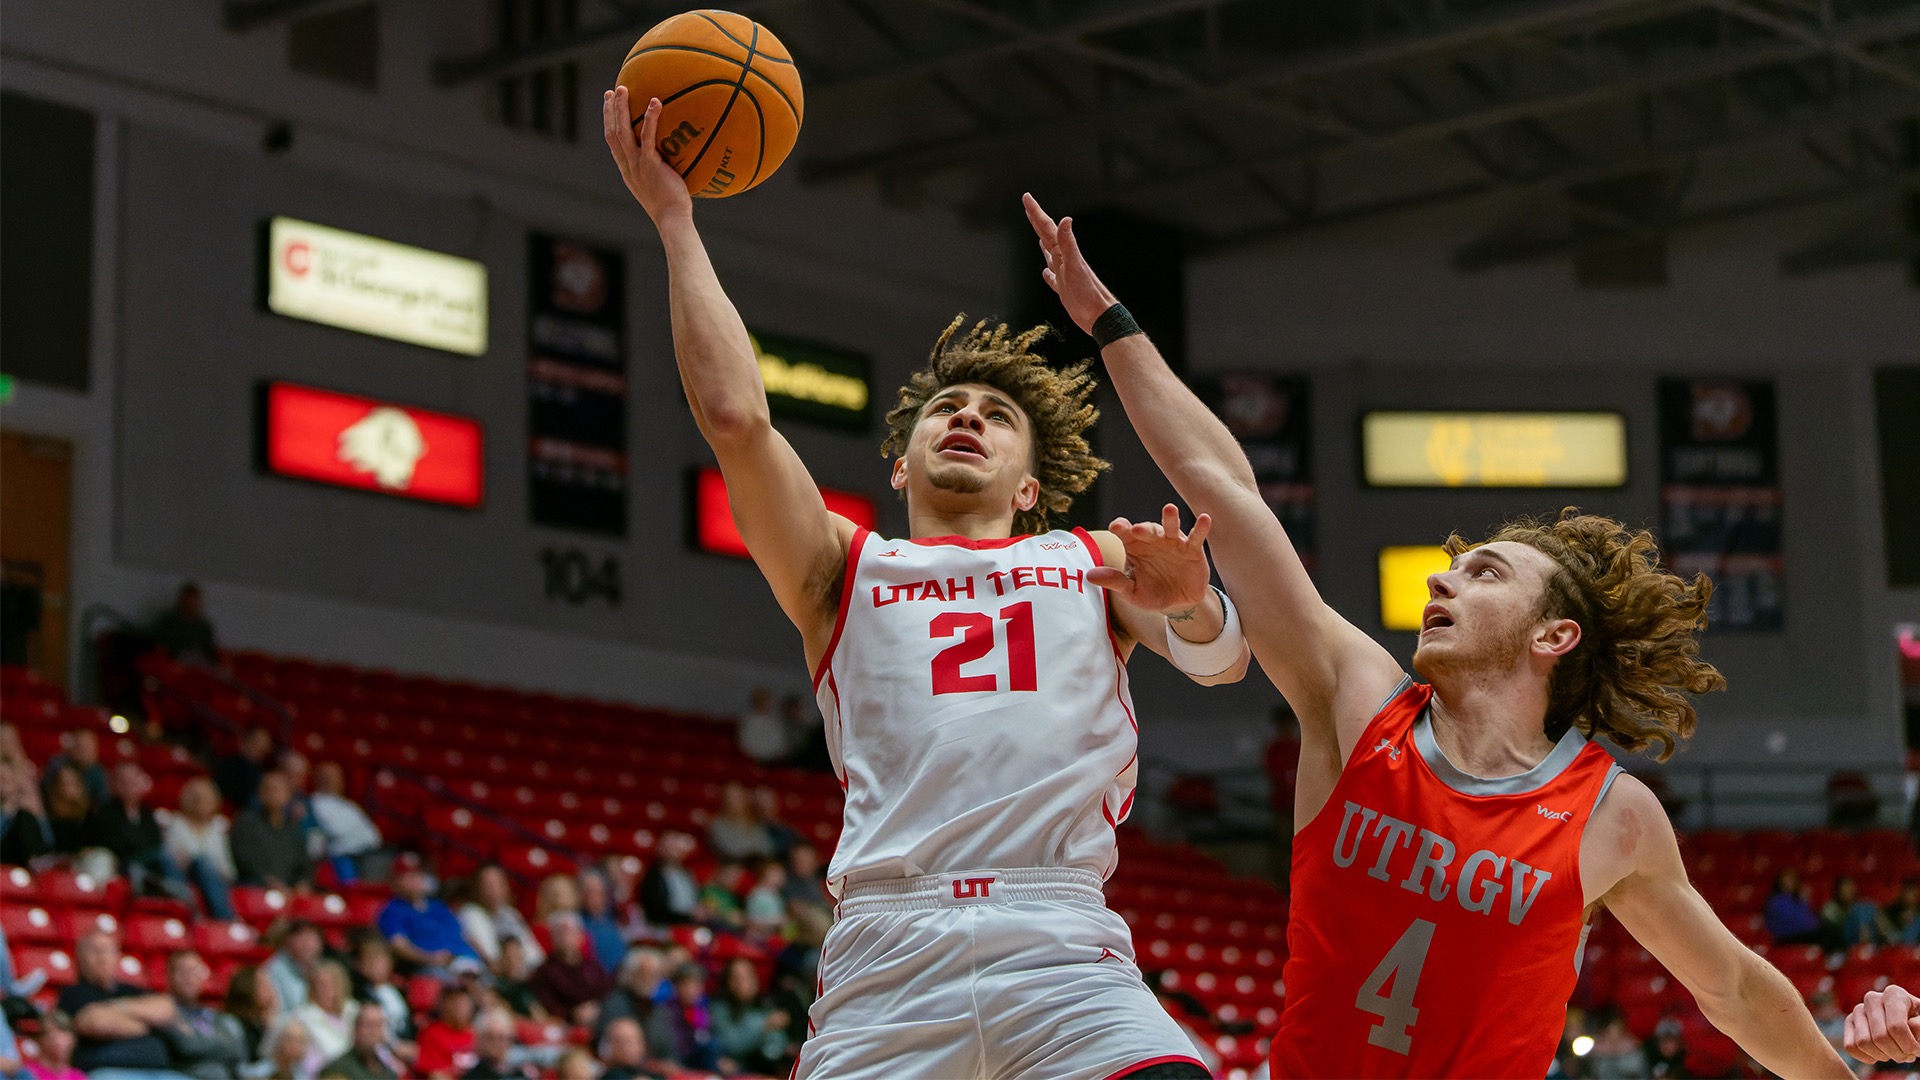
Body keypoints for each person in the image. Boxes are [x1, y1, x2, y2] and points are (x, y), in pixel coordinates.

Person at [1022, 192, 1850, 1077]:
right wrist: (1110, 324)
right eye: (1453, 567)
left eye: (1484, 573)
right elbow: (1228, 490)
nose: (1442, 579)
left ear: (1555, 636)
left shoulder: (1612, 815)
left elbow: (1735, 990)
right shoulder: (1357, 700)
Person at [608, 88, 1251, 1080]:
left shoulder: (1090, 557)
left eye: (994, 415)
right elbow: (735, 418)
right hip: (888, 952)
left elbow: (1223, 663)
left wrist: (1193, 604)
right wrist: (675, 222)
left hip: (1060, 945)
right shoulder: (844, 564)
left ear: (1030, 483)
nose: (965, 417)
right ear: (900, 466)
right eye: (945, 407)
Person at [56, 929, 179, 1075]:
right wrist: (149, 1024)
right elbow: (97, 1023)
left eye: (108, 951)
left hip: (162, 1073)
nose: (103, 958)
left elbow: (167, 1008)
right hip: (108, 1071)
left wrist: (116, 1008)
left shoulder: (130, 990)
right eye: (95, 951)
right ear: (80, 958)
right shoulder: (74, 993)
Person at [377, 861, 481, 979]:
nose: (415, 880)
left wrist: (488, 959)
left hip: (469, 959)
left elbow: (466, 935)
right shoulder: (392, 911)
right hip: (436, 968)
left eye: (418, 875)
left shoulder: (438, 906)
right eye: (408, 877)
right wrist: (430, 958)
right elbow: (400, 946)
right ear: (395, 882)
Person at [159, 950, 249, 1080]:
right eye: (182, 972)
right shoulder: (166, 1013)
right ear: (169, 976)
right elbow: (187, 1046)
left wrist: (199, 1040)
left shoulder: (215, 1016)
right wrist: (223, 1043)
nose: (188, 979)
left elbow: (237, 1051)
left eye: (195, 971)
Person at [159, 777, 238, 920]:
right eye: (197, 799)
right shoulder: (176, 824)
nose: (201, 804)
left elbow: (227, 869)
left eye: (207, 800)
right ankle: (194, 913)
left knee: (206, 864)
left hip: (213, 879)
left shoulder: (217, 829)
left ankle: (224, 920)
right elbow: (174, 859)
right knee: (203, 861)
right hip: (184, 877)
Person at [230, 770, 312, 889]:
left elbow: (304, 864)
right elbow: (244, 860)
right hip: (256, 887)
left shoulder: (293, 829)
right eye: (268, 789)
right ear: (260, 793)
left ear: (287, 796)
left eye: (278, 790)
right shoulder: (246, 822)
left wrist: (303, 882)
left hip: (289, 891)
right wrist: (266, 880)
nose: (273, 794)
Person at [528, 913, 612, 1028]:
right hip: (565, 1027)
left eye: (571, 932)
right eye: (560, 933)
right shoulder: (544, 973)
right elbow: (546, 1007)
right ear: (552, 937)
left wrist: (596, 1008)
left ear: (581, 936)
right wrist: (573, 1014)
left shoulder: (594, 967)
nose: (566, 937)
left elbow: (609, 994)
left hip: (599, 1022)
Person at [709, 957, 790, 1077]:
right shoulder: (719, 1008)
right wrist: (765, 1027)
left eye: (749, 976)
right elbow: (732, 1045)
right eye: (737, 978)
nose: (744, 982)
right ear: (727, 982)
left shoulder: (765, 1004)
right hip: (734, 1071)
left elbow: (776, 1045)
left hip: (766, 1068)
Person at [308, 762, 385, 883]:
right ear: (317, 779)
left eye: (335, 777)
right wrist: (357, 833)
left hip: (367, 855)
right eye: (326, 777)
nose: (330, 781)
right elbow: (336, 830)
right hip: (338, 858)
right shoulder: (314, 803)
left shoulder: (349, 805)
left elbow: (373, 835)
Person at [458, 865, 544, 969]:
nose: (493, 888)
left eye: (497, 883)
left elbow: (534, 954)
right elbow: (491, 957)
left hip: (521, 971)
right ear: (477, 887)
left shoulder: (510, 913)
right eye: (487, 884)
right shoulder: (470, 913)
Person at [596, 948, 674, 1053]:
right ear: (631, 974)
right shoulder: (614, 1004)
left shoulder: (659, 1009)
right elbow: (605, 1046)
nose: (649, 979)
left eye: (654, 975)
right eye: (643, 973)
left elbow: (668, 1050)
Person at [284, 962, 357, 1075]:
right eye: (320, 985)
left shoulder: (354, 1009)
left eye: (331, 984)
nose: (325, 990)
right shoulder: (303, 1017)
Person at [345, 933, 414, 1047]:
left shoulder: (400, 990)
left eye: (381, 960)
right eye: (370, 960)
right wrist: (395, 1047)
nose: (376, 965)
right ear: (359, 965)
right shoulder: (359, 995)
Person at [215, 965, 280, 1068]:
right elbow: (241, 1068)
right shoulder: (232, 1024)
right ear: (246, 987)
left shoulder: (258, 1024)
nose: (270, 988)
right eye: (262, 984)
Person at [656, 963, 716, 1073]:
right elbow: (670, 1047)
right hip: (676, 1064)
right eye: (685, 984)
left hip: (700, 1064)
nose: (690, 990)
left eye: (695, 985)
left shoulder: (703, 1010)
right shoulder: (666, 1011)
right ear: (676, 986)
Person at [317, 1001, 401, 1080]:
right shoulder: (337, 1069)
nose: (373, 1031)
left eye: (378, 1025)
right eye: (369, 1025)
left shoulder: (388, 1070)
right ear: (355, 1029)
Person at [413, 986, 478, 1080]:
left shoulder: (477, 1034)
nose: (460, 1008)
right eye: (455, 1003)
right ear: (444, 1005)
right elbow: (434, 1075)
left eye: (464, 1003)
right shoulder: (431, 1034)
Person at [263, 921, 325, 1013]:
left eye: (312, 937)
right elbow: (275, 1014)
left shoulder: (321, 967)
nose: (308, 944)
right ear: (288, 940)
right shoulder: (275, 969)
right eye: (302, 937)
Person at [638, 832, 698, 927]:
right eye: (670, 847)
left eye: (676, 847)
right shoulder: (653, 875)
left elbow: (694, 900)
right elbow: (656, 909)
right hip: (665, 925)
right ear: (661, 849)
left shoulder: (687, 874)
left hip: (691, 922)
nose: (674, 852)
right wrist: (688, 914)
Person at [150, 583, 219, 665]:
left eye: (193, 601)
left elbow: (209, 653)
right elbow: (160, 645)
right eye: (187, 600)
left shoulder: (204, 627)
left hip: (196, 665)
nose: (190, 604)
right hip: (171, 662)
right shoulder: (168, 621)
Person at [0, 759, 53, 865]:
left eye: (5, 780)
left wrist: (38, 815)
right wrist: (6, 813)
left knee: (24, 817)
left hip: (28, 864)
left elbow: (49, 841)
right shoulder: (6, 811)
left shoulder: (25, 810)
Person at [706, 782, 773, 863]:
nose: (735, 802)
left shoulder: (753, 822)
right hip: (735, 866)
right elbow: (730, 851)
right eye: (731, 798)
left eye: (738, 797)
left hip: (760, 864)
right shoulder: (717, 824)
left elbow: (766, 847)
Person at [42, 729, 108, 808]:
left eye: (90, 747)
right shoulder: (58, 765)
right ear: (72, 748)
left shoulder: (98, 771)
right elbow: (47, 792)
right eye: (82, 747)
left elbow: (103, 800)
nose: (86, 752)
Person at [578, 868, 627, 973]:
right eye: (590, 893)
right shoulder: (577, 922)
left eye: (599, 892)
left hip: (620, 973)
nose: (595, 897)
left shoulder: (614, 918)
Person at [1766, 869, 1831, 947]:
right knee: (1826, 933)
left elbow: (1810, 918)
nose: (1790, 883)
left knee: (1829, 928)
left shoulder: (1797, 898)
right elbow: (1796, 921)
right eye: (1787, 880)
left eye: (1792, 880)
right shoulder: (1776, 901)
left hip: (1803, 933)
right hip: (1787, 937)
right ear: (1780, 883)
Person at [460, 1009, 531, 1080]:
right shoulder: (472, 1076)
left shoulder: (520, 1073)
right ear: (480, 1039)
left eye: (503, 1037)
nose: (499, 1043)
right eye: (491, 1037)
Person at [214, 728, 274, 812]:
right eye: (256, 744)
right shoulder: (227, 764)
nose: (259, 749)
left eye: (263, 747)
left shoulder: (263, 774)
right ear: (244, 742)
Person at [42, 762, 93, 855]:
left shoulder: (88, 813)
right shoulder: (47, 811)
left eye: (71, 782)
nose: (67, 786)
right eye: (63, 782)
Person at [1823, 875, 1888, 947]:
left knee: (1870, 910)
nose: (1850, 891)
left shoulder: (1859, 907)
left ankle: (1877, 944)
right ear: (1838, 892)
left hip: (1860, 939)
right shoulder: (1830, 908)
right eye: (1845, 889)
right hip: (1840, 942)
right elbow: (1833, 930)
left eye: (1851, 888)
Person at [597, 1017, 667, 1080]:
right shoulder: (612, 1076)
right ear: (611, 1046)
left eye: (637, 1040)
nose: (633, 1047)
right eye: (626, 1041)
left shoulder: (653, 1073)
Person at [23, 1011, 84, 1080]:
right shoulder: (28, 1073)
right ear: (39, 1040)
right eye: (50, 1034)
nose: (58, 1040)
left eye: (63, 1032)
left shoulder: (78, 1076)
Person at [736, 687, 787, 765]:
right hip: (753, 762)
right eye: (765, 700)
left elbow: (780, 742)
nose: (768, 703)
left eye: (769, 700)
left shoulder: (775, 721)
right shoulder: (748, 721)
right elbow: (746, 745)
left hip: (775, 761)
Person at [750, 786, 800, 859]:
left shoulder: (786, 829)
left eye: (767, 801)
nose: (764, 806)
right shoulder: (749, 828)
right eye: (760, 802)